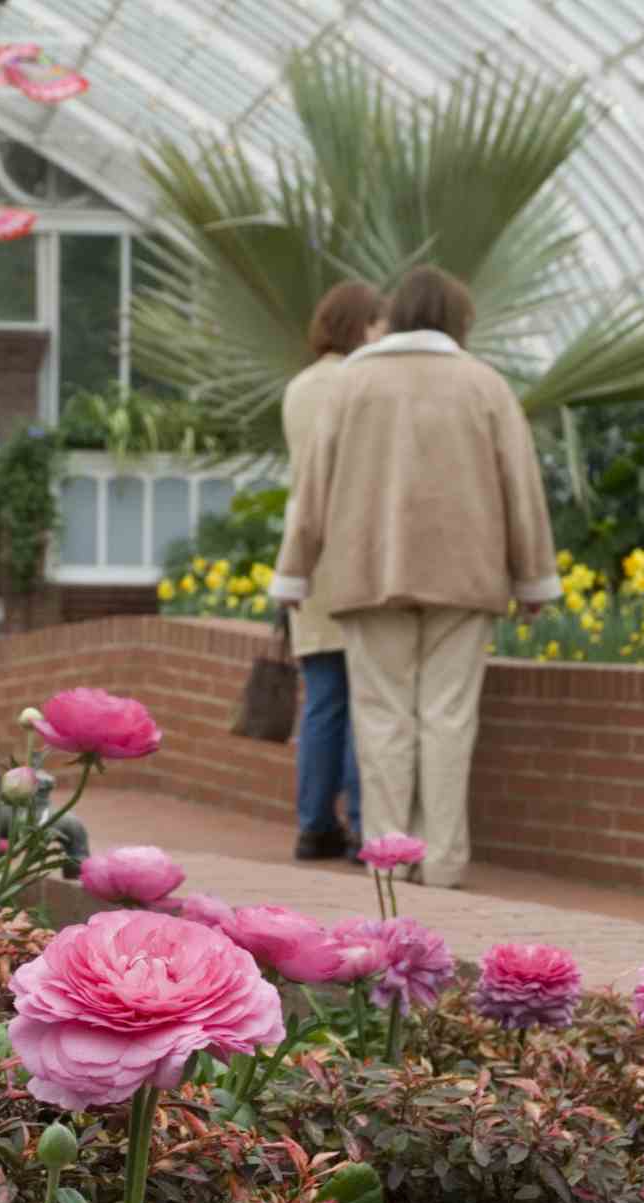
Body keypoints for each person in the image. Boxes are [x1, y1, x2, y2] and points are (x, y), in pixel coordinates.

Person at [269, 267, 558, 889]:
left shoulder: (353, 383)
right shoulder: (485, 385)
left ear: (395, 315)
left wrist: (294, 573)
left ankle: (390, 863)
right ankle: (445, 863)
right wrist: (534, 578)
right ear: (459, 320)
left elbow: (311, 488)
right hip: (467, 578)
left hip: (367, 575)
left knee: (380, 719)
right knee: (450, 719)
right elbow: (522, 489)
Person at [281, 280, 386, 862]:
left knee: (323, 698)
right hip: (353, 555)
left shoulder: (299, 388)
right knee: (363, 697)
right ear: (361, 325)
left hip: (305, 556)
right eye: (377, 322)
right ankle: (363, 826)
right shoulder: (358, 383)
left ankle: (312, 823)